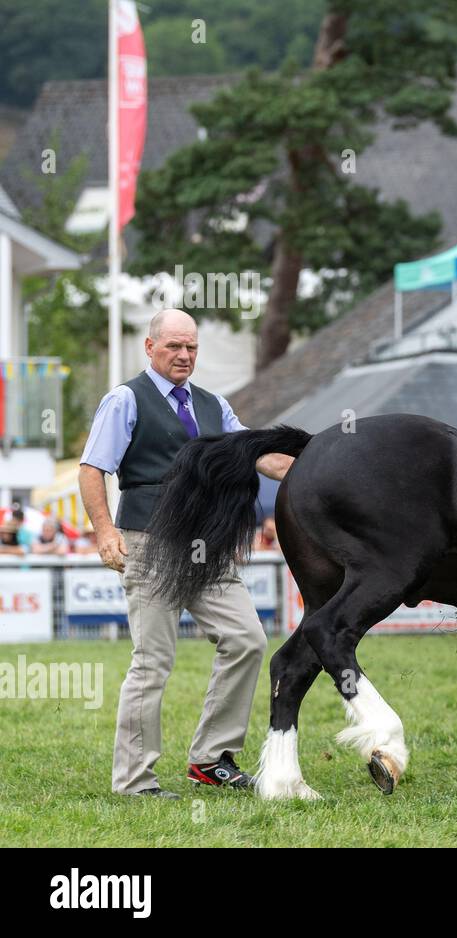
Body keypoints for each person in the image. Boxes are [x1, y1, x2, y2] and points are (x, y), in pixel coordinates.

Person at [78, 308, 296, 799]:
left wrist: (319, 464)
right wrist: (104, 531)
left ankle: (211, 759)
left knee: (247, 639)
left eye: (191, 347)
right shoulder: (125, 400)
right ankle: (134, 781)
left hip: (208, 547)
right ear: (150, 347)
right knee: (152, 661)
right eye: (174, 346)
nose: (184, 355)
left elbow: (258, 455)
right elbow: (92, 469)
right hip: (149, 542)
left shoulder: (214, 404)